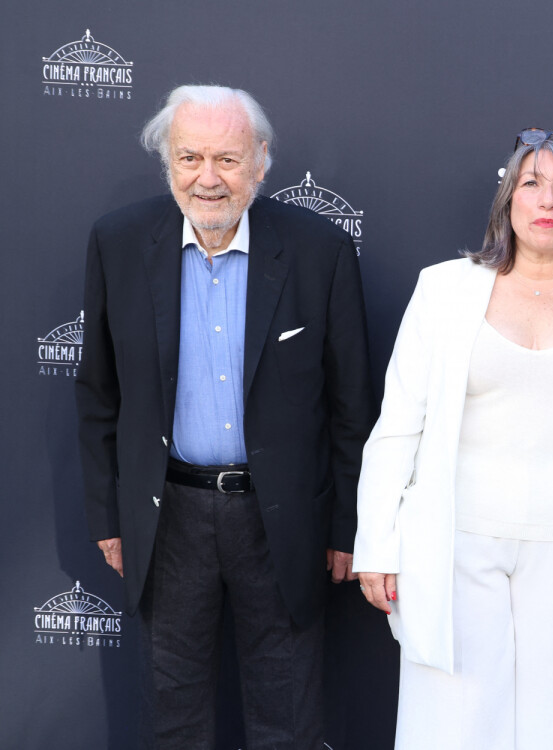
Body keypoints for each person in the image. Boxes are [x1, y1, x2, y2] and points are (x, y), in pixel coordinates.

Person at [75, 85, 374, 748]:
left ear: (262, 161)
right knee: (175, 713)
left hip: (284, 519)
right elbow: (98, 393)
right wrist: (110, 518)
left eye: (228, 160)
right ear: (168, 163)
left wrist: (349, 525)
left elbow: (353, 406)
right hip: (168, 514)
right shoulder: (119, 243)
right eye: (189, 158)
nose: (207, 179)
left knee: (288, 712)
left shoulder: (318, 251)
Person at [353, 129, 553, 750]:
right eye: (532, 183)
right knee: (453, 725)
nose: (549, 200)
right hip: (453, 542)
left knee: (551, 726)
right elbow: (397, 426)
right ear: (508, 200)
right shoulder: (443, 288)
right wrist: (377, 546)